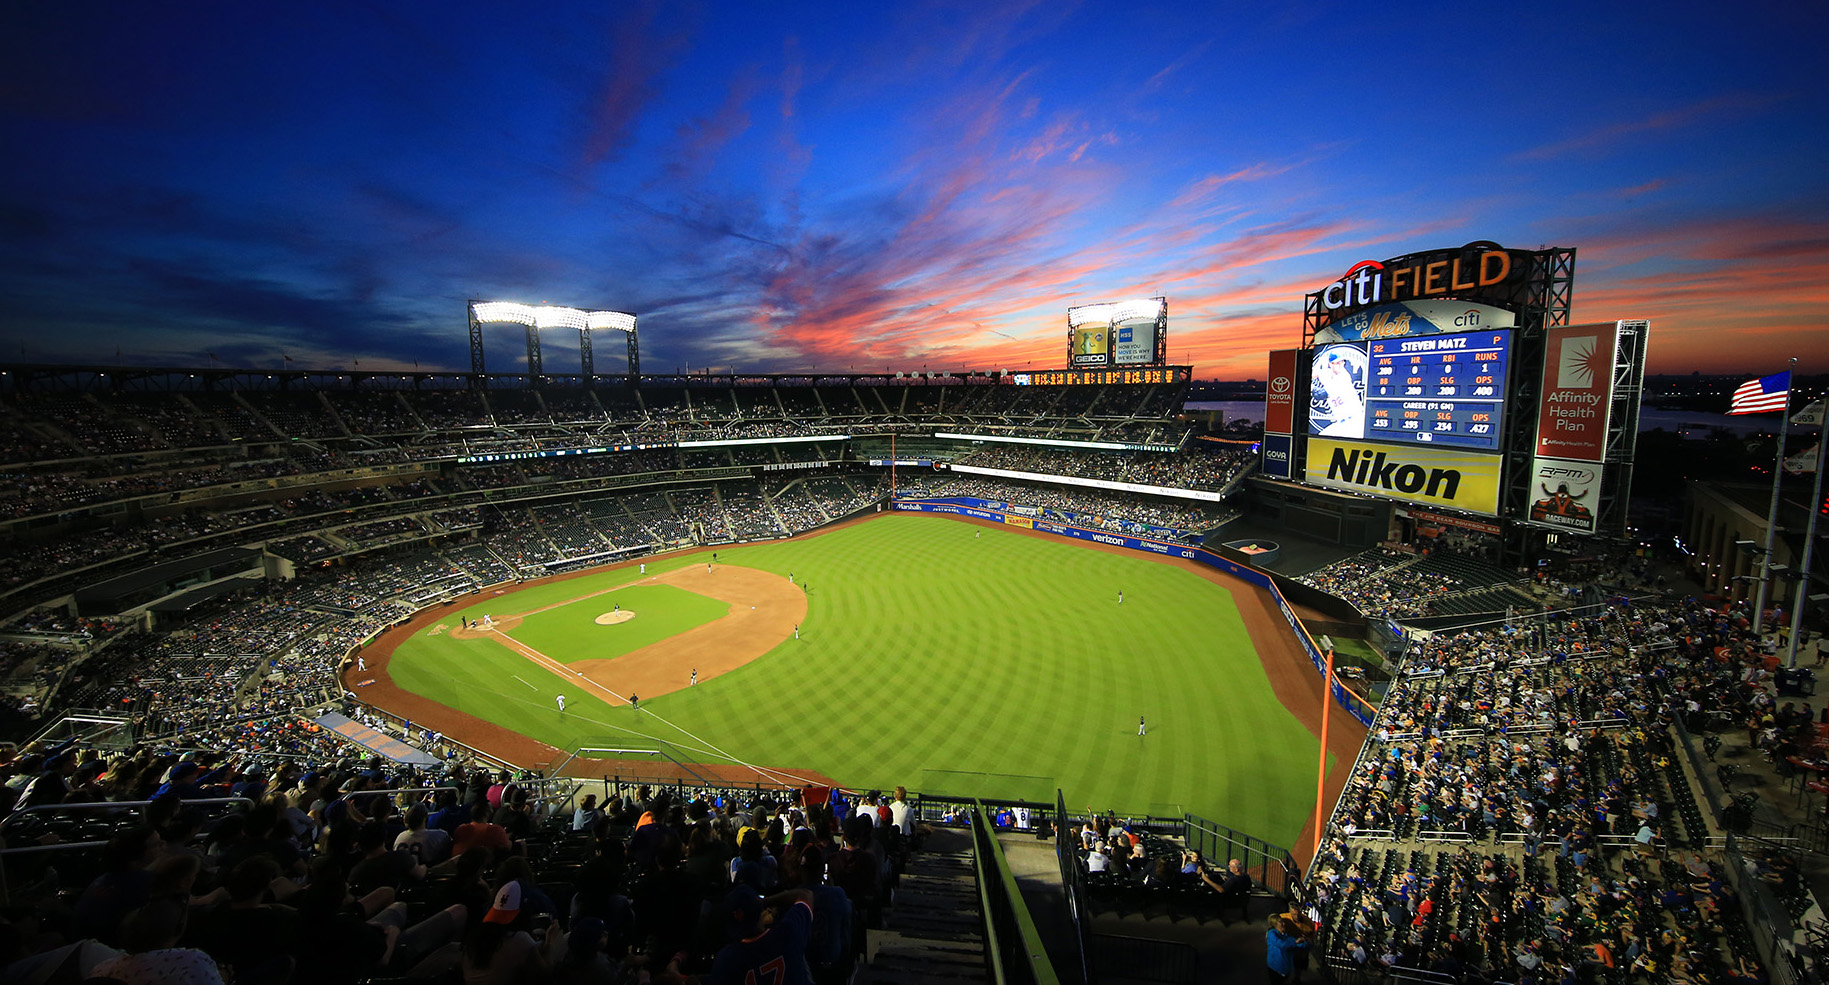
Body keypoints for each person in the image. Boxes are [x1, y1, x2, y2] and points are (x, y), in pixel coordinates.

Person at [709, 886, 814, 985]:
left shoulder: (725, 959)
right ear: (760, 910)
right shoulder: (787, 932)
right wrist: (763, 902)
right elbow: (805, 895)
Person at [1266, 915, 1310, 984]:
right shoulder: (1271, 934)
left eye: (1283, 921)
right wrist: (1296, 942)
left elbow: (1297, 944)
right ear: (1274, 924)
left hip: (1286, 968)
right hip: (1275, 968)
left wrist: (1305, 942)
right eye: (1280, 922)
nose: (1284, 924)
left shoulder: (1286, 935)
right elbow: (1282, 945)